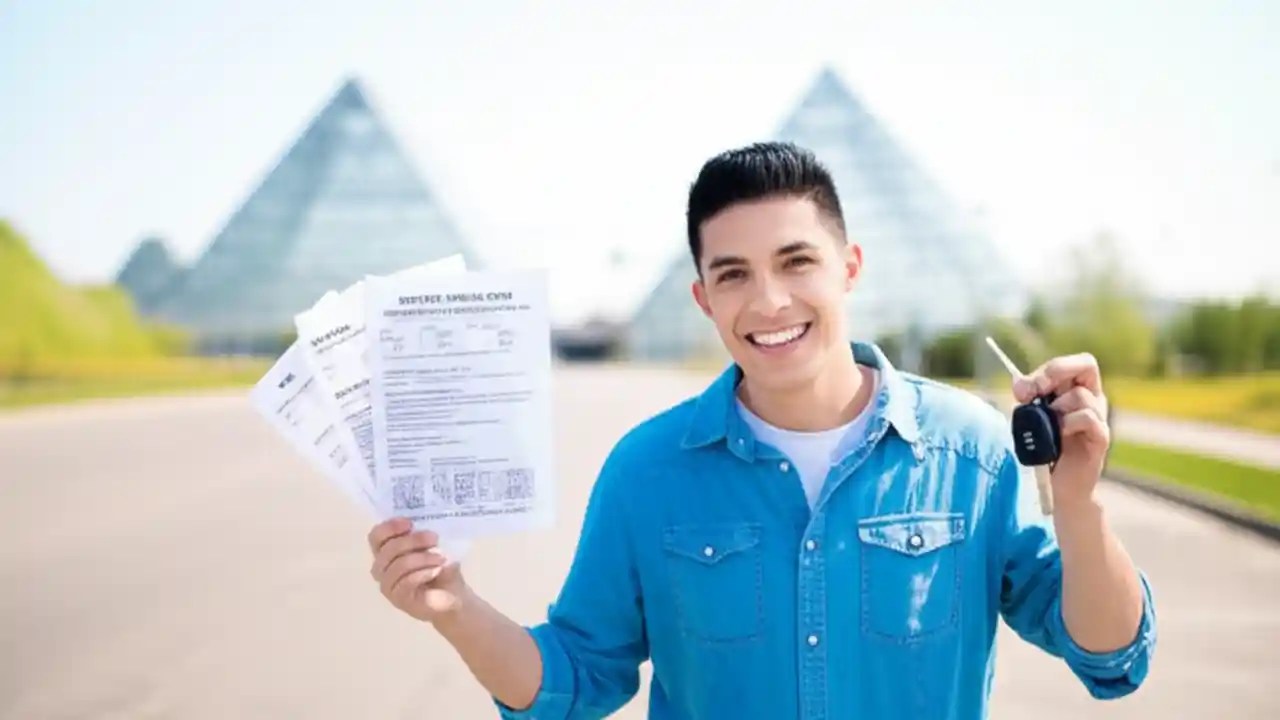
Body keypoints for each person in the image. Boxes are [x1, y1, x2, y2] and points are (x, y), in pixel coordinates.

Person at [366, 141, 1157, 719]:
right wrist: (454, 608)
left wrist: (1081, 505)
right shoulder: (646, 472)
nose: (770, 301)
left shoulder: (972, 450)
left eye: (796, 261)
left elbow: (1110, 656)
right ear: (704, 298)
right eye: (734, 274)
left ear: (848, 267)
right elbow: (572, 680)